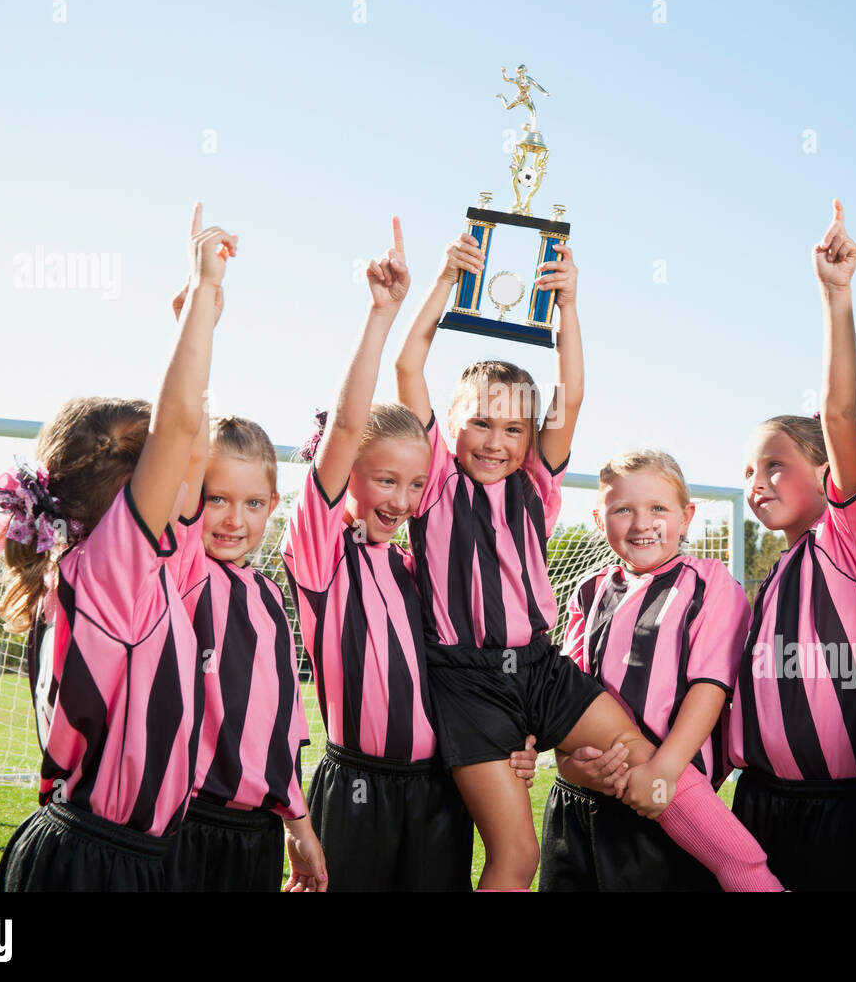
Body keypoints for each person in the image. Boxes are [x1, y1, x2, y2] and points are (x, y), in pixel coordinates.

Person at [397, 231, 767, 891]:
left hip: (539, 666)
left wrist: (568, 305)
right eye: (481, 422)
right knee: (517, 857)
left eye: (514, 429)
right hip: (469, 679)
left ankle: (748, 872)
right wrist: (444, 283)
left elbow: (572, 393)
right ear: (449, 424)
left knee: (646, 759)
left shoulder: (534, 488)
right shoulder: (433, 484)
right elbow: (407, 367)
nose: (496, 441)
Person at [283, 218, 534, 891]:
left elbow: (477, 657)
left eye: (417, 483)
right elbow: (344, 427)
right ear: (348, 479)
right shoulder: (323, 556)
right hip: (356, 785)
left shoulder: (419, 565)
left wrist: (518, 734)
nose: (403, 498)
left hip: (437, 787)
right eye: (385, 479)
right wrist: (382, 313)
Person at [0, 202, 234, 891]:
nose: (189, 469)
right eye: (166, 464)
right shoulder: (109, 571)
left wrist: (199, 324)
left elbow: (194, 436)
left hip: (122, 854)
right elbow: (180, 424)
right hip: (92, 861)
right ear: (131, 489)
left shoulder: (143, 572)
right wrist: (205, 289)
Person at [727, 200, 856, 891]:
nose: (757, 482)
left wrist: (835, 298)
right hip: (759, 800)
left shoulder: (846, 546)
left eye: (774, 464)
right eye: (747, 471)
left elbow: (835, 412)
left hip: (844, 810)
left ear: (829, 471)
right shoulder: (770, 580)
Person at [540, 450, 783, 892]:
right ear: (599, 518)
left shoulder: (710, 583)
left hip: (669, 798)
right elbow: (566, 698)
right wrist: (572, 766)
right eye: (622, 510)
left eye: (658, 508)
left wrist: (664, 770)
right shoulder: (588, 590)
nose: (641, 523)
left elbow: (710, 687)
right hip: (584, 800)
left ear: (686, 516)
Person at [164, 414, 327, 892]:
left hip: (257, 834)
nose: (235, 519)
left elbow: (283, 732)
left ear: (273, 504)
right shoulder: (183, 572)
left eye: (253, 502)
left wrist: (299, 829)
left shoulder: (272, 598)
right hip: (184, 824)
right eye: (217, 499)